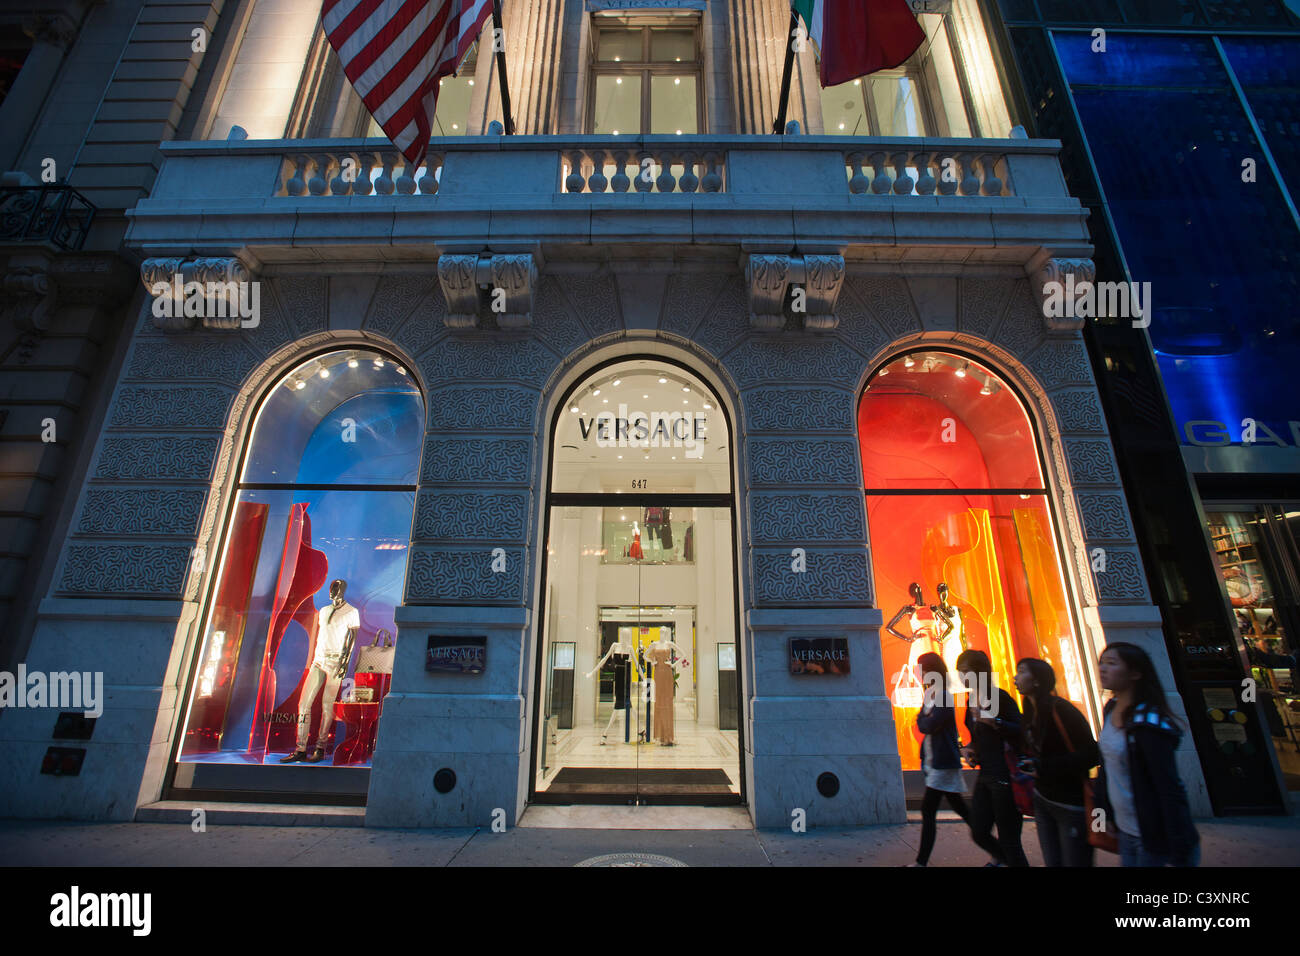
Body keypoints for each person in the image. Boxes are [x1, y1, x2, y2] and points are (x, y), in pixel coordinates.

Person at [1095, 642, 1201, 867]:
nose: (1102, 668)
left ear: (1135, 673)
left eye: (1111, 663)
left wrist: (1178, 844)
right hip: (1126, 829)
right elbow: (1108, 766)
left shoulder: (1148, 724)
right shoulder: (1110, 708)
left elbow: (1168, 786)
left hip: (1154, 833)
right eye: (1102, 663)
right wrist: (1105, 811)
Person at [1014, 658, 1099, 867]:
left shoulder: (1061, 709)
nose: (1015, 677)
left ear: (1037, 680)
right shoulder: (1029, 710)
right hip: (1043, 798)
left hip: (1071, 802)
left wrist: (1044, 767)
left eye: (1022, 671)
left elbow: (1091, 754)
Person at [956, 649, 1029, 867]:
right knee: (979, 830)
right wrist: (970, 749)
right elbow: (979, 735)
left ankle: (1007, 860)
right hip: (986, 773)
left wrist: (995, 722)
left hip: (1005, 775)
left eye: (966, 671)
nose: (962, 676)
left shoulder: (997, 696)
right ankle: (1002, 860)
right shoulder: (971, 699)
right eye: (959, 671)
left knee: (1010, 839)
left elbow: (1021, 729)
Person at [909, 652, 971, 866]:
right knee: (960, 808)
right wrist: (923, 719)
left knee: (928, 809)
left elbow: (927, 725)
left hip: (943, 763)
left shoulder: (943, 696)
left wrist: (924, 719)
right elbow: (922, 721)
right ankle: (994, 845)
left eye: (921, 669)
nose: (919, 673)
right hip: (936, 762)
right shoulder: (932, 695)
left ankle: (921, 862)